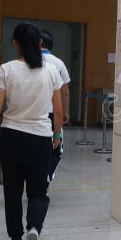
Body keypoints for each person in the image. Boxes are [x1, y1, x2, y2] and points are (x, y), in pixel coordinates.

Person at [0, 23, 63, 240]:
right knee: (38, 191)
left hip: (11, 137)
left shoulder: (6, 69)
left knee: (12, 191)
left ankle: (16, 239)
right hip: (40, 138)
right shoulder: (51, 71)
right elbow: (58, 110)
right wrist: (57, 135)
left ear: (15, 43)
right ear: (39, 43)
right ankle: (34, 228)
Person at [40, 29, 71, 181]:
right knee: (55, 146)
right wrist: (65, 111)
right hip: (53, 113)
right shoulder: (58, 63)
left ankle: (35, 179)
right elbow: (65, 92)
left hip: (34, 113)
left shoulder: (26, 61)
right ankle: (45, 178)